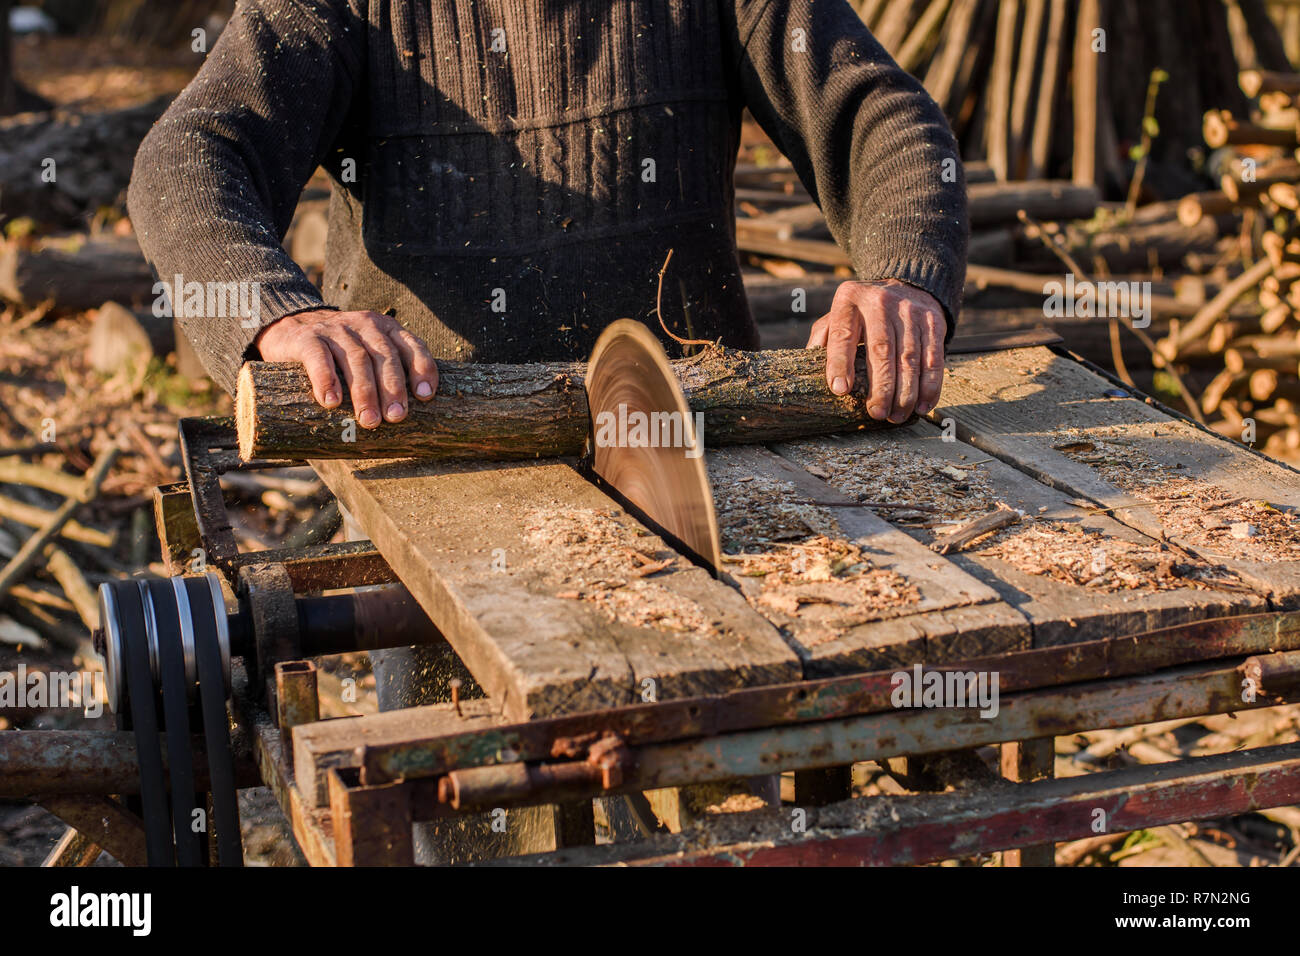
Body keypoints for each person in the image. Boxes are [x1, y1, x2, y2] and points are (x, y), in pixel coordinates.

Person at [128, 0, 968, 857]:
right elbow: (188, 156)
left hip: (691, 490)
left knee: (711, 826)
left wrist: (902, 274)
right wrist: (276, 314)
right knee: (482, 831)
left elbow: (880, 116)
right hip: (437, 487)